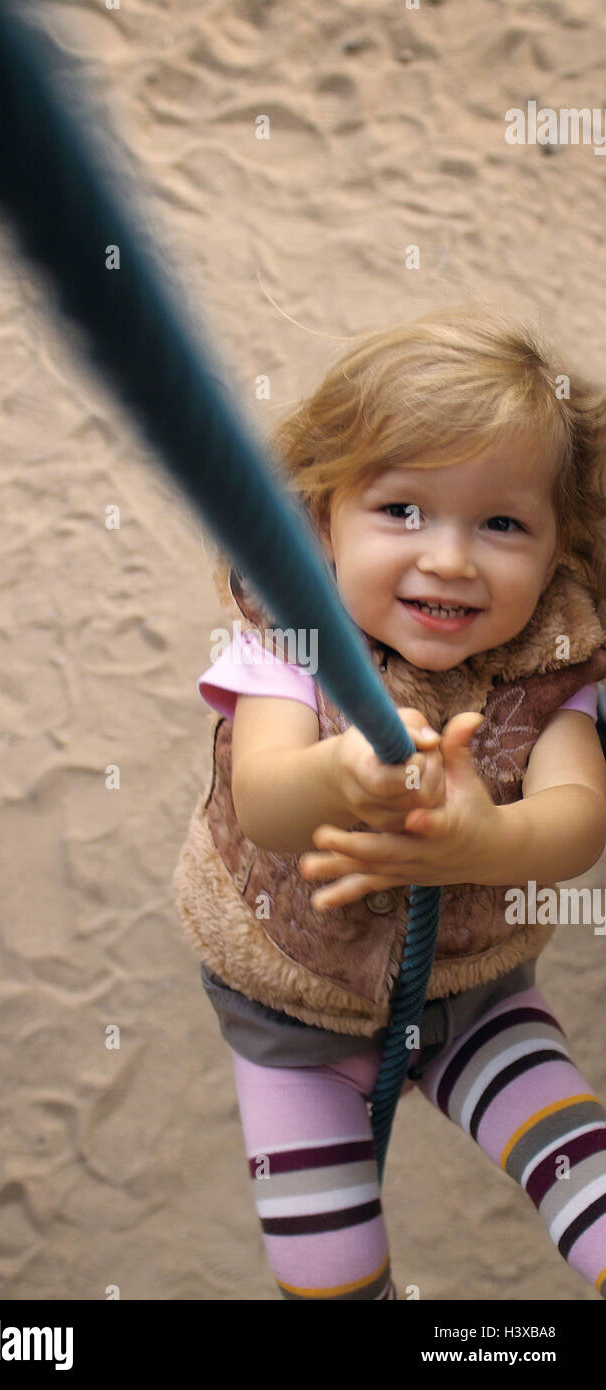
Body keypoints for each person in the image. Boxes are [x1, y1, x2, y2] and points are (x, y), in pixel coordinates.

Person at [172, 302, 606, 1301]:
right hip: (291, 1008)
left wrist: (485, 839)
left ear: (554, 554)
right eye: (403, 511)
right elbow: (271, 798)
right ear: (323, 519)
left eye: (502, 523)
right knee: (329, 1273)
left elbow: (578, 816)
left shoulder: (547, 662)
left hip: (475, 1001)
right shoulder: (294, 638)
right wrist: (343, 779)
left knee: (584, 1172)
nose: (450, 558)